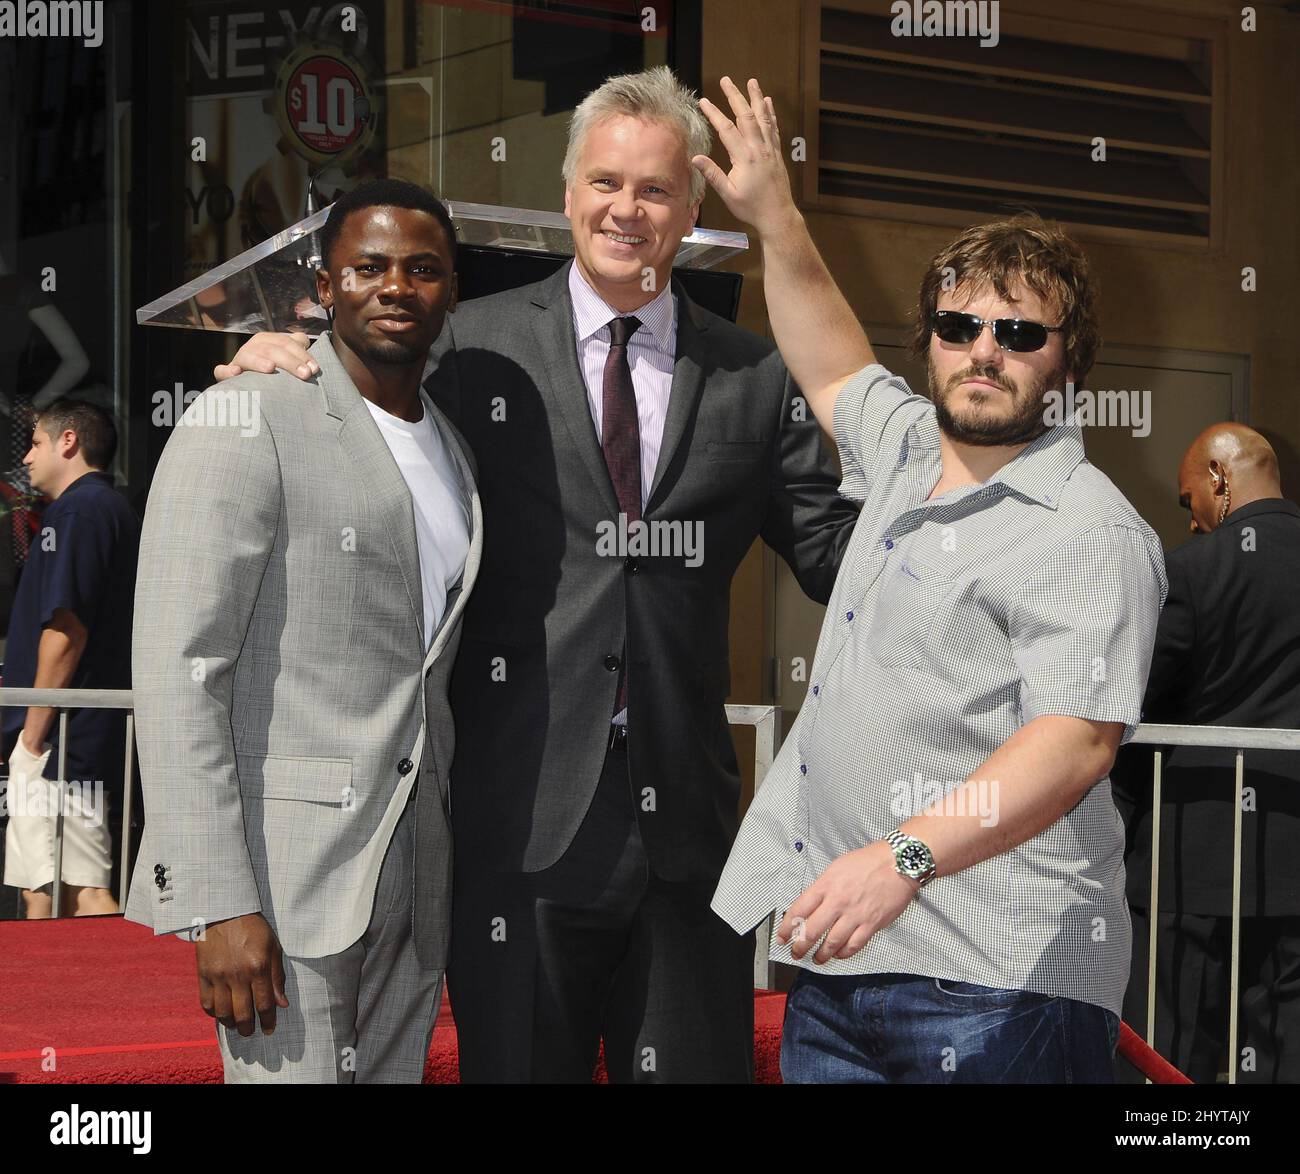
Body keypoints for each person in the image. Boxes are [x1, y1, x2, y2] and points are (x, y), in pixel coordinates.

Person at [217, 66, 858, 1083]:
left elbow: (840, 556)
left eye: (654, 190)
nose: (626, 209)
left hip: (685, 839)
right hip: (512, 828)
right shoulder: (464, 349)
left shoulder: (754, 374)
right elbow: (350, 423)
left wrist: (952, 494)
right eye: (605, 183)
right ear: (566, 196)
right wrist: (278, 368)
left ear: (693, 207)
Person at [701, 77, 1166, 1083]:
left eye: (1018, 334)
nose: (982, 352)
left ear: (1068, 360)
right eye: (957, 329)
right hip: (843, 960)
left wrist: (902, 858)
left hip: (1003, 983)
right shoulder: (909, 449)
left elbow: (1075, 740)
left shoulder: (1090, 527)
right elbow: (827, 357)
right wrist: (775, 214)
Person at [125, 179, 482, 1084]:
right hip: (283, 886)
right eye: (369, 266)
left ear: (450, 290)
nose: (396, 286)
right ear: (324, 289)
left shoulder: (454, 446)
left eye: (423, 269)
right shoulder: (251, 412)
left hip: (415, 873)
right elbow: (179, 667)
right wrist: (216, 901)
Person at [1113, 423, 1300, 1083]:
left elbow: (1134, 703)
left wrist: (1122, 809)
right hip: (1291, 875)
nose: (1192, 521)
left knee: (1170, 1059)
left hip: (1189, 869)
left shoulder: (1190, 571)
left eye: (1188, 498)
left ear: (1220, 479)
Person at [2, 399, 138, 918]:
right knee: (43, 889)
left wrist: (33, 737)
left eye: (35, 443)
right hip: (69, 734)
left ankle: (122, 999)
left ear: (69, 441)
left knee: (81, 892)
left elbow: (66, 629)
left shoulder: (80, 511)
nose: (28, 457)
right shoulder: (100, 510)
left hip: (63, 739)